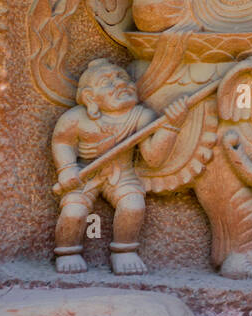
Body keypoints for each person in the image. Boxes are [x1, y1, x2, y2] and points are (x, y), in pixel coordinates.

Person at [51, 59, 187, 274]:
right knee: (74, 213)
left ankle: (124, 251)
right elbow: (62, 142)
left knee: (133, 206)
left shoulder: (141, 117)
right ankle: (67, 251)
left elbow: (153, 159)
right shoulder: (75, 118)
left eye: (122, 78)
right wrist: (66, 169)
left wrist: (171, 126)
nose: (120, 83)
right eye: (108, 82)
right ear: (89, 98)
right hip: (84, 173)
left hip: (122, 173)